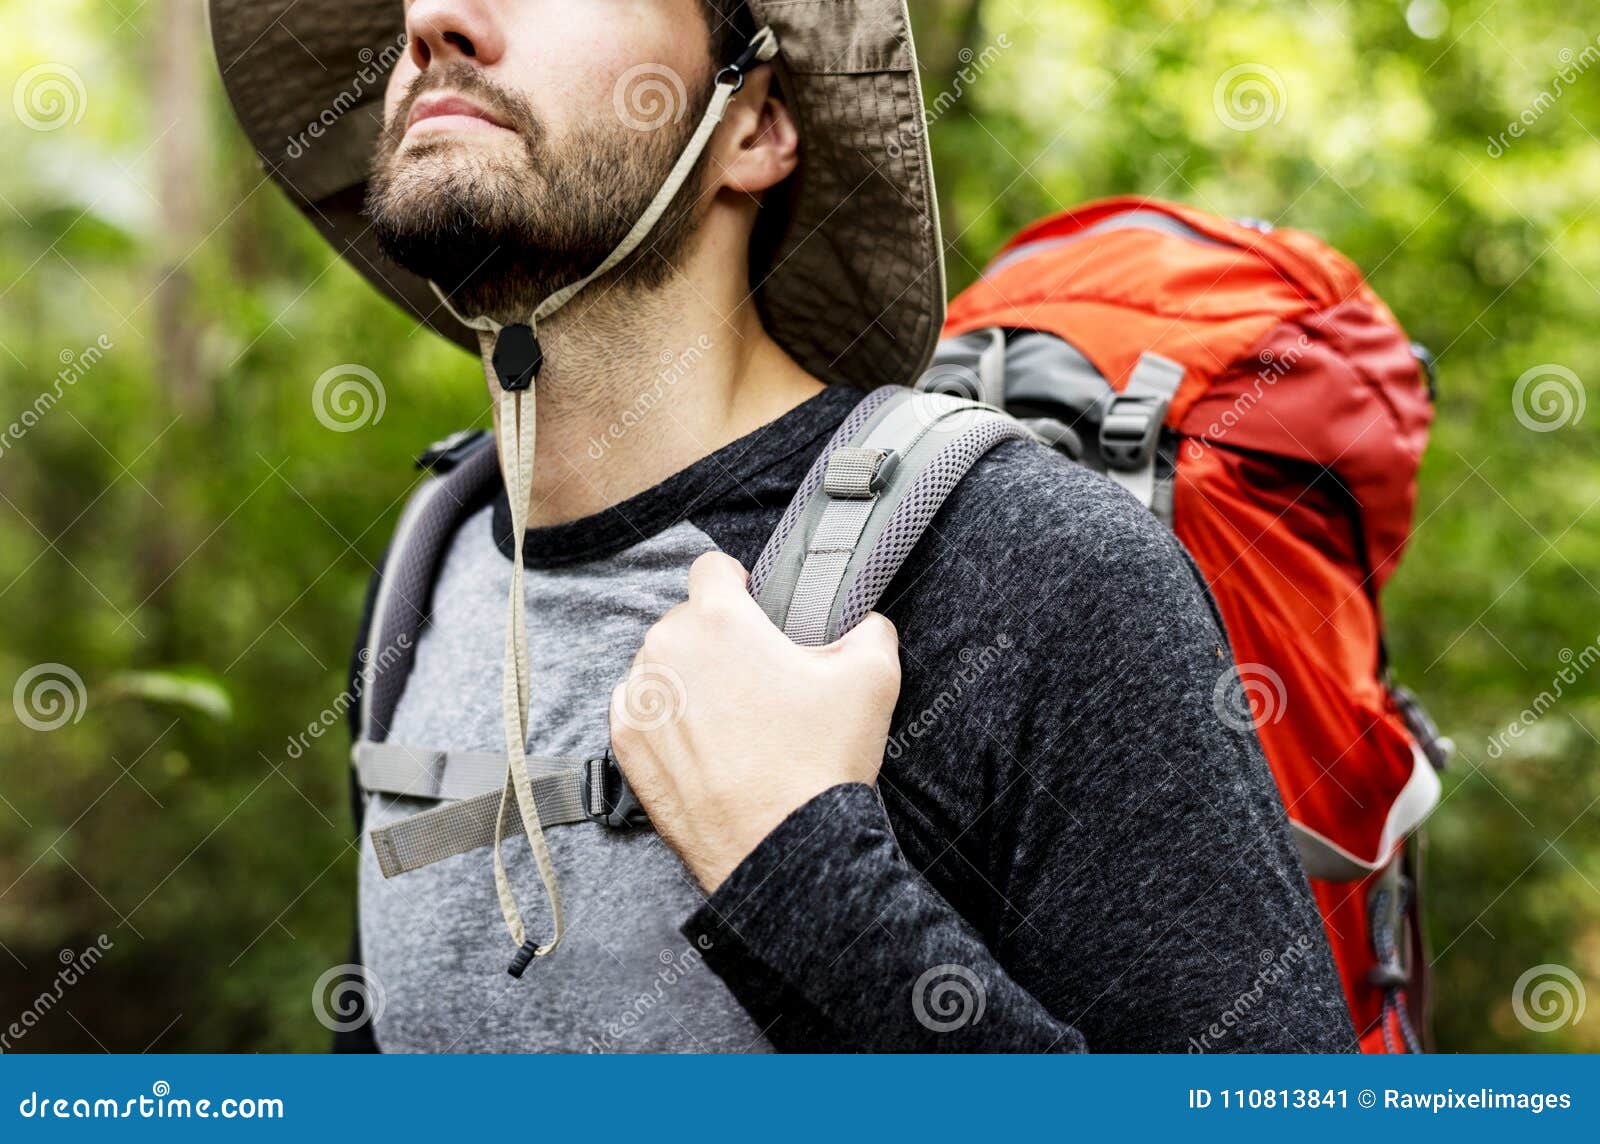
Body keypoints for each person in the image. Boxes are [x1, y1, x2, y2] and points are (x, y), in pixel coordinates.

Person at [211, 0, 1355, 1051]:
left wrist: (800, 865)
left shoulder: (1028, 566)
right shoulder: (434, 558)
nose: (438, 20)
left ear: (752, 124)